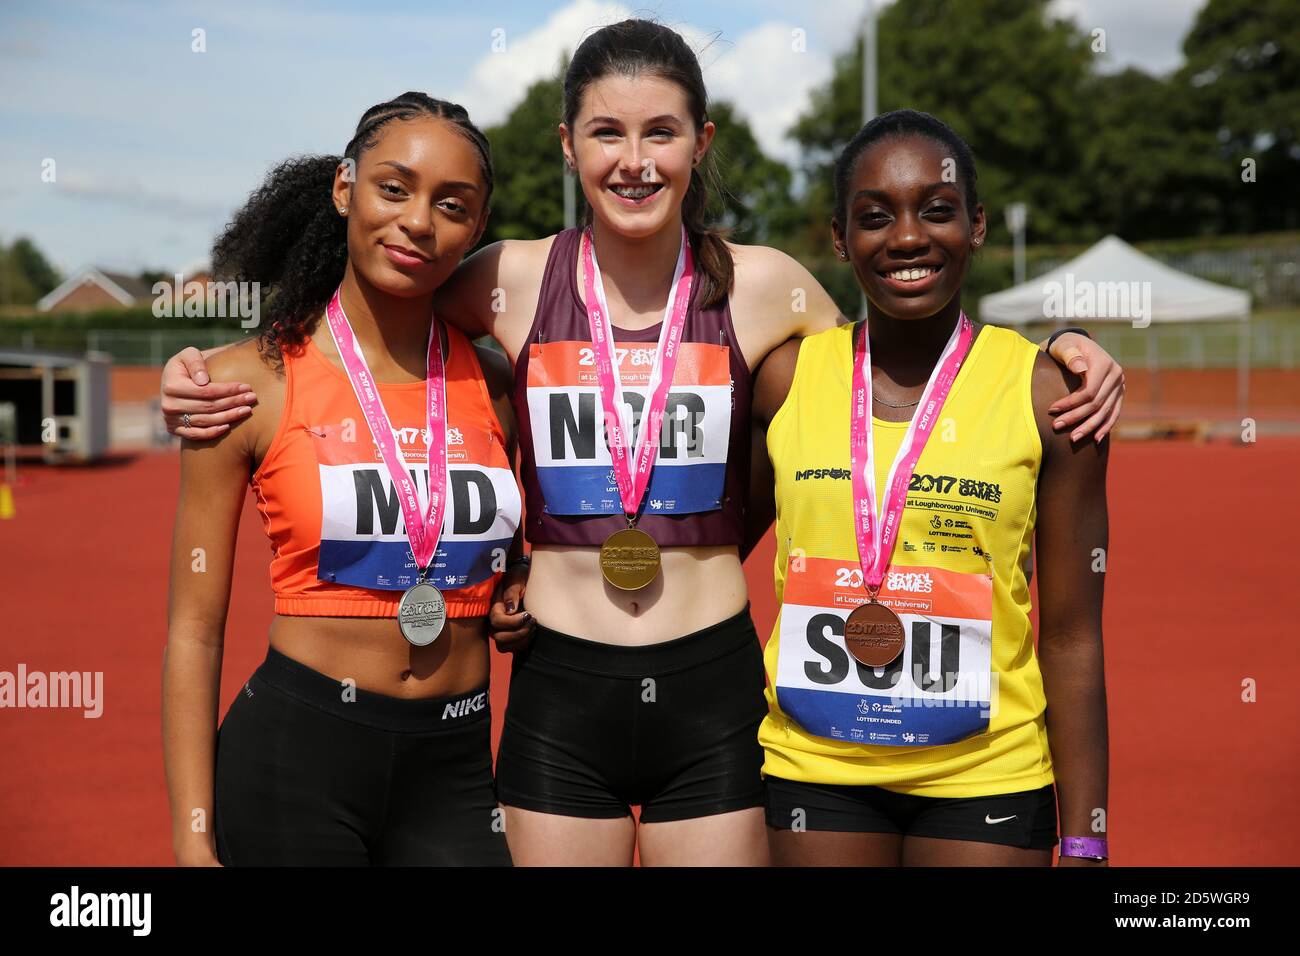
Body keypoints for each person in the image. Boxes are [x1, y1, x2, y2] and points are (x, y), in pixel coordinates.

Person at [160, 21, 1121, 866]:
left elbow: (900, 361)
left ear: (699, 145)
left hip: (714, 688)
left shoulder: (767, 285)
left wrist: (1054, 356)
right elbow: (373, 313)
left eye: (661, 133)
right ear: (568, 144)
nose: (635, 160)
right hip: (559, 690)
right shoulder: (505, 279)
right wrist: (205, 365)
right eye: (607, 133)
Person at [162, 92, 530, 866]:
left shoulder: (498, 384)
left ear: (477, 226)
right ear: (344, 188)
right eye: (393, 188)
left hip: (457, 762)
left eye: (452, 205)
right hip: (296, 761)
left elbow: (514, 548)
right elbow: (194, 631)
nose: (419, 222)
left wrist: (516, 586)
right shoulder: (244, 384)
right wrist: (193, 840)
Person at [752, 109, 1109, 866]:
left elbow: (1073, 634)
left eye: (937, 211)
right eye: (875, 217)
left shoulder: (1048, 392)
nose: (908, 238)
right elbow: (706, 549)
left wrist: (1086, 836)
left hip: (987, 773)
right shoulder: (785, 379)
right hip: (817, 771)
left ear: (976, 225)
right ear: (840, 239)